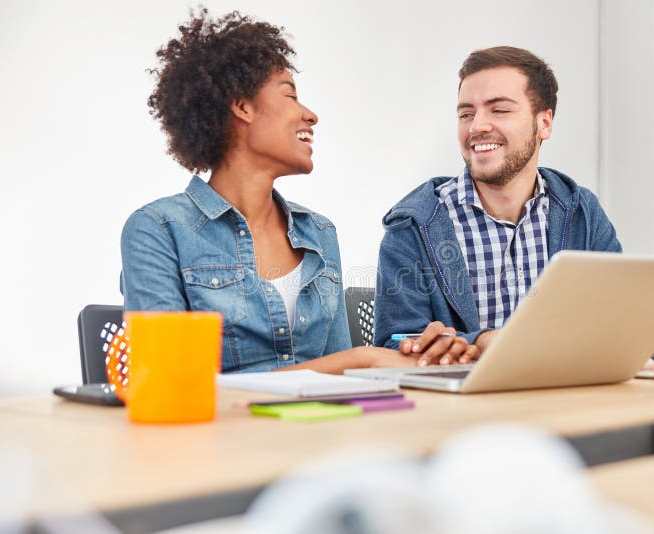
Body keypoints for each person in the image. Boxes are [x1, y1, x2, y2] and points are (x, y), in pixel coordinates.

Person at [121, 9, 416, 374]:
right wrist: (362, 357)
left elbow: (343, 382)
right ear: (242, 106)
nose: (310, 115)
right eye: (290, 95)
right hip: (220, 432)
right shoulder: (158, 229)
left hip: (315, 428)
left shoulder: (319, 233)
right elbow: (170, 380)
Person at [375, 46, 622, 366]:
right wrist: (480, 342)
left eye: (499, 110)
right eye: (466, 114)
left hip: (569, 401)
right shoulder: (413, 225)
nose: (477, 126)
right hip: (463, 411)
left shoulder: (581, 213)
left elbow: (624, 327)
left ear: (544, 123)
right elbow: (392, 351)